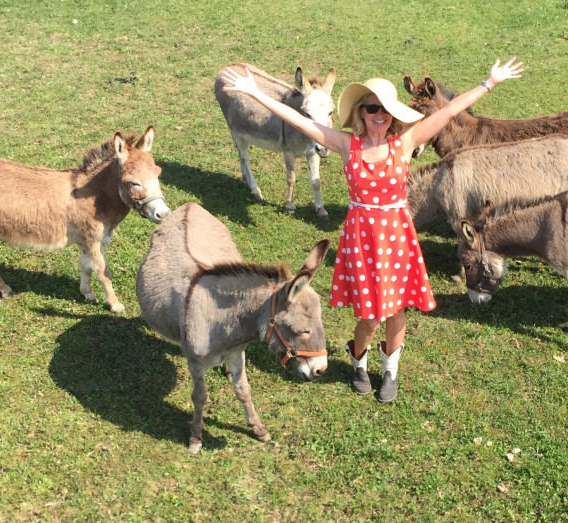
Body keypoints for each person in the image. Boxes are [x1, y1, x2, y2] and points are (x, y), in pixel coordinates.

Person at [221, 57, 523, 403]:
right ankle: (358, 358)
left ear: (392, 115)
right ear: (361, 113)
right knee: (369, 316)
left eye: (384, 109)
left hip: (397, 238)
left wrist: (490, 82)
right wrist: (253, 91)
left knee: (395, 313)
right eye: (371, 108)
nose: (378, 114)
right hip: (362, 239)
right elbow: (297, 121)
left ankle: (390, 370)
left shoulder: (405, 143)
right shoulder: (347, 145)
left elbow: (448, 111)